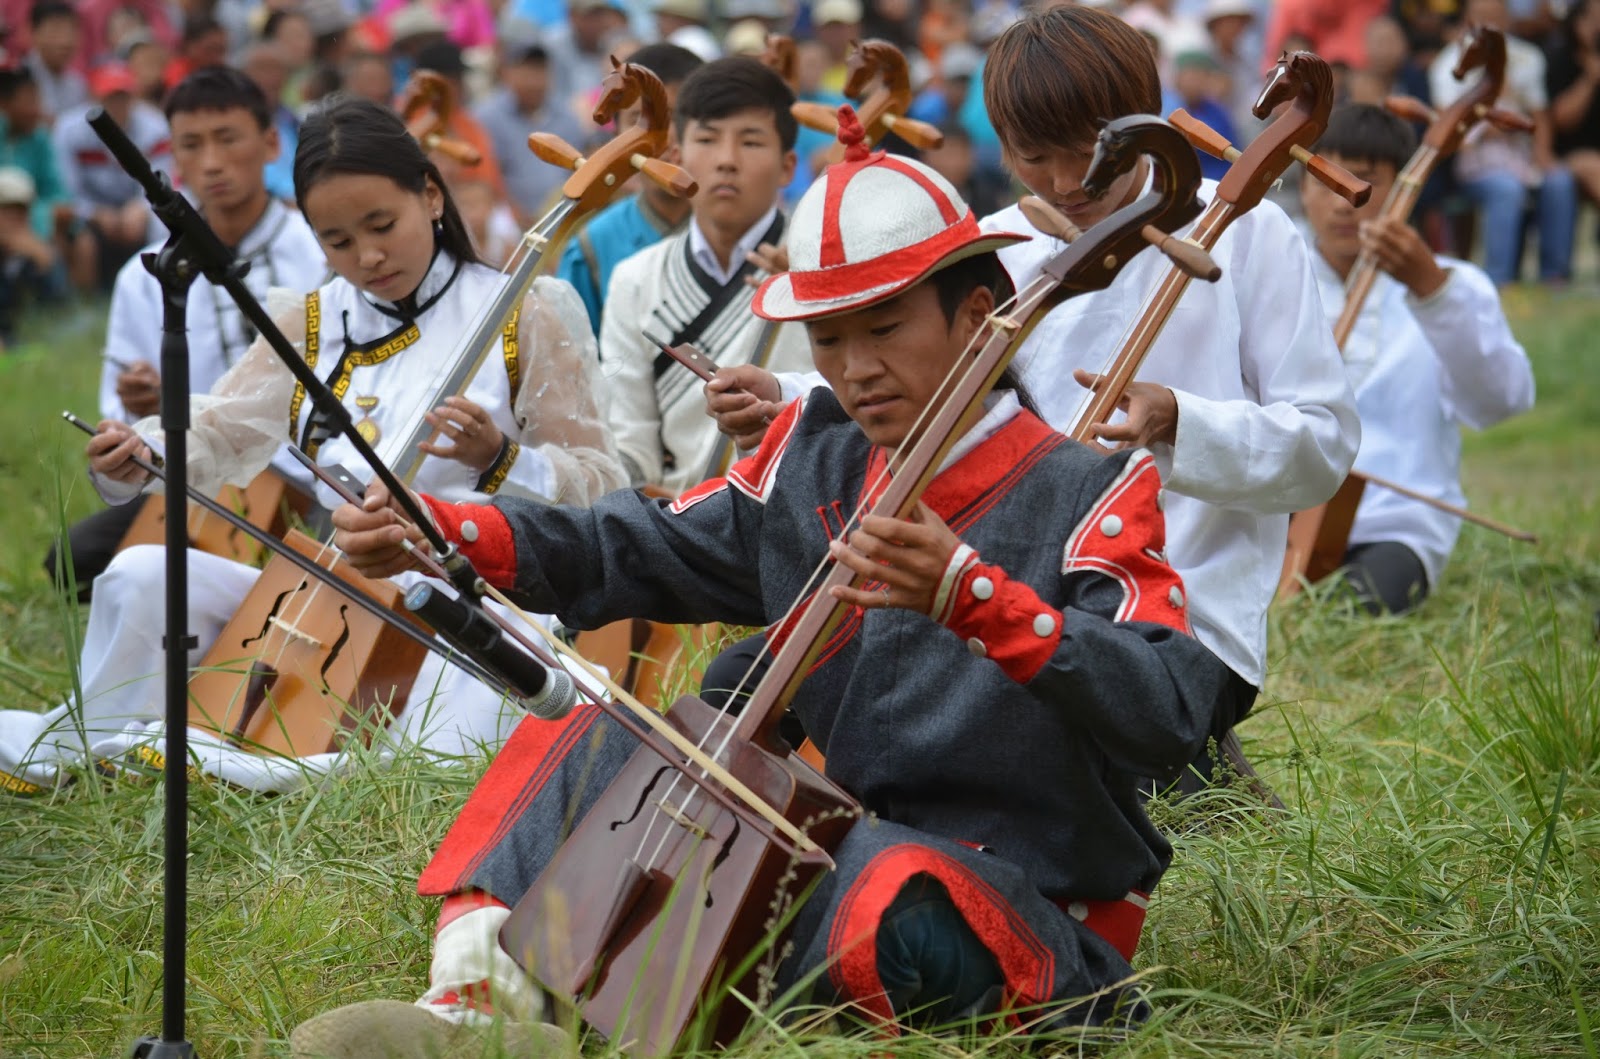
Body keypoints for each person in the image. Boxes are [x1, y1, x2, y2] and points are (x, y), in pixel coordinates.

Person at [291, 130, 1231, 1059]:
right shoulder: (814, 453)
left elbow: (1171, 707)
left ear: (978, 311)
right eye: (827, 336)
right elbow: (642, 541)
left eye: (886, 327)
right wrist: (448, 528)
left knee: (878, 880)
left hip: (1019, 915)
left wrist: (969, 593)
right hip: (848, 849)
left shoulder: (1091, 490)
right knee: (588, 736)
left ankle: (615, 996)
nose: (855, 368)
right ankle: (477, 1010)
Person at [709, 7, 1359, 795]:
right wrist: (782, 392)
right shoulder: (992, 244)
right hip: (986, 584)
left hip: (1171, 620)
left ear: (1141, 126)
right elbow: (922, 380)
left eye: (1089, 154)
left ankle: (1192, 775)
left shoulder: (1250, 233)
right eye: (1033, 156)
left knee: (1056, 746)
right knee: (741, 686)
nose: (1061, 183)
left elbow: (1323, 444)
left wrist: (1181, 423)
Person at [0, 97, 625, 796]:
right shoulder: (309, 321)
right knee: (144, 573)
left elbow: (603, 485)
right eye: (338, 241)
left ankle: (302, 773)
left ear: (429, 193)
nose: (369, 257)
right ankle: (96, 745)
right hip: (334, 594)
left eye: (382, 225)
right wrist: (140, 452)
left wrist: (500, 460)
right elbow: (219, 429)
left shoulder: (527, 312)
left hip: (467, 591)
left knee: (509, 660)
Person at [42, 66, 328, 602]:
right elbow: (123, 421)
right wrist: (142, 410)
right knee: (73, 560)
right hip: (197, 480)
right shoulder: (144, 275)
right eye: (192, 145)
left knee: (339, 540)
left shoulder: (317, 252)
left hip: (306, 480)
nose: (212, 162)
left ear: (270, 144)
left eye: (228, 139)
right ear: (173, 160)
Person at [1300, 105, 1534, 613]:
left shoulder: (1455, 283)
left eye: (1365, 181)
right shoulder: (1273, 279)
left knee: (1357, 609)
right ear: (1302, 189)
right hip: (1278, 520)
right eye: (1326, 180)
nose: (1345, 202)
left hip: (1396, 523)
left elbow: (1502, 403)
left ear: (1408, 187)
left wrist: (1433, 292)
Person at [602, 56, 812, 495]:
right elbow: (629, 432)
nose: (727, 161)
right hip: (679, 523)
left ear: (788, 166)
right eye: (708, 140)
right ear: (677, 157)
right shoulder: (635, 278)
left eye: (751, 142)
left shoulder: (820, 262)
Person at [554, 41, 703, 334]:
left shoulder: (739, 229)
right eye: (638, 119)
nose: (664, 136)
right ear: (617, 134)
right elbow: (573, 354)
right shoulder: (592, 246)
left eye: (676, 117)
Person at [1430, 0, 1578, 284]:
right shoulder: (1449, 63)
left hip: (1522, 155)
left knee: (1559, 180)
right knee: (1505, 189)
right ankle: (1499, 280)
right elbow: (1445, 128)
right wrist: (1485, 130)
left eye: (1497, 18)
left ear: (1509, 20)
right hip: (1473, 162)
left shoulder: (1527, 57)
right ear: (1468, 21)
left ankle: (1556, 277)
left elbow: (1539, 115)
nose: (1491, 26)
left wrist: (1543, 154)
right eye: (1483, 18)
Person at [51, 62, 171, 290]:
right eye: (109, 97)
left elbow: (162, 181)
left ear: (133, 97)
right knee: (68, 222)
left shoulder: (154, 126)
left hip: (137, 209)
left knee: (161, 223)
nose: (117, 105)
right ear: (93, 97)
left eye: (122, 96)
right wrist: (97, 214)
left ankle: (159, 285)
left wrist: (139, 209)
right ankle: (82, 299)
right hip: (91, 210)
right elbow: (67, 191)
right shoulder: (68, 130)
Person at [473, 41, 584, 224]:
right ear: (507, 74)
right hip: (507, 219)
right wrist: (517, 215)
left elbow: (578, 171)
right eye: (526, 71)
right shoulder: (488, 118)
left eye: (540, 70)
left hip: (563, 215)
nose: (534, 80)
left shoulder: (567, 117)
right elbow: (487, 177)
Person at [21, 1, 87, 124]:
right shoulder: (20, 78)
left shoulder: (77, 84)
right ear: (33, 32)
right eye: (55, 30)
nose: (65, 41)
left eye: (71, 31)